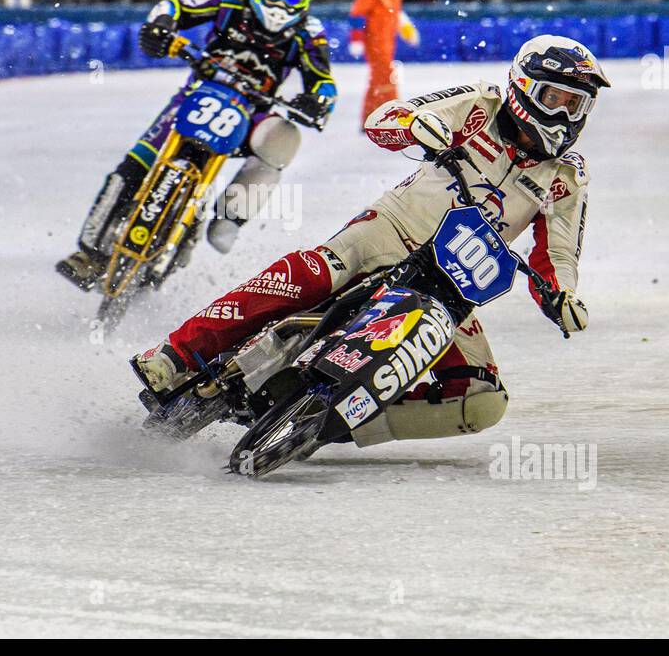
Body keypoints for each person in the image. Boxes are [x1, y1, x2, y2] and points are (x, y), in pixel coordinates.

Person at [133, 34, 607, 450]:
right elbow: (389, 117)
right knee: (314, 272)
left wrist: (561, 293)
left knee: (481, 400)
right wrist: (413, 126)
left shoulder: (567, 177)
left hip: (453, 289)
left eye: (576, 104)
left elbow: (558, 252)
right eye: (556, 98)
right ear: (524, 87)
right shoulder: (480, 105)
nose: (565, 115)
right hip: (393, 228)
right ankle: (177, 353)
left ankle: (333, 424)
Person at [56, 0, 337, 290]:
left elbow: (324, 81)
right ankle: (89, 251)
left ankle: (229, 219)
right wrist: (160, 27)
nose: (281, 3)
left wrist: (318, 102)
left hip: (252, 115)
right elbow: (176, 7)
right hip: (197, 95)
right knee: (138, 160)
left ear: (307, 1)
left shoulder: (309, 33)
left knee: (284, 142)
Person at [349, 0, 420, 125]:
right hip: (376, 41)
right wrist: (356, 38)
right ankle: (393, 118)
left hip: (386, 41)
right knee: (386, 77)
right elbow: (359, 9)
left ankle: (371, 119)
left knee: (379, 80)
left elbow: (394, 13)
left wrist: (406, 29)